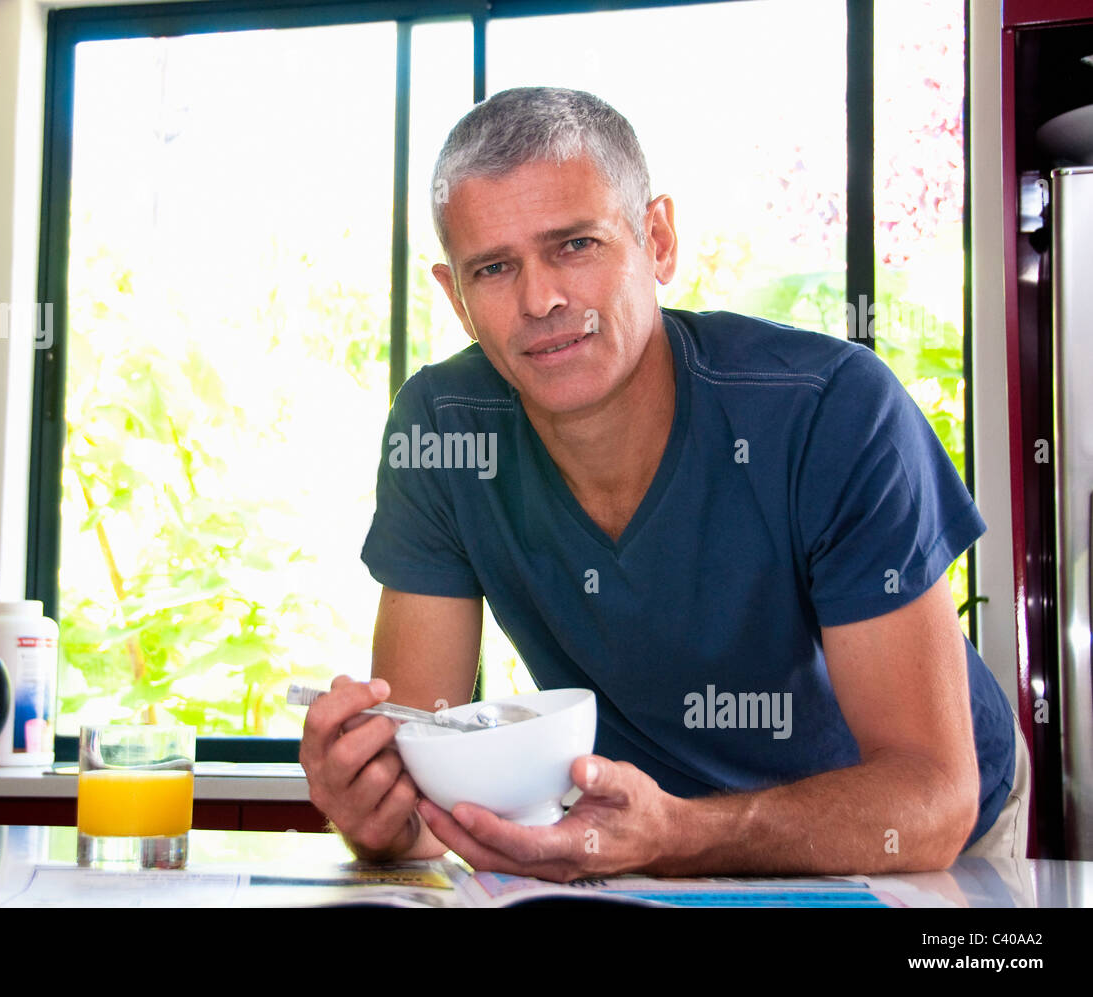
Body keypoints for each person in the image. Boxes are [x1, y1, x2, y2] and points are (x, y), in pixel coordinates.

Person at [298, 86, 1027, 880]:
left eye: (575, 245)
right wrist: (373, 807)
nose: (540, 299)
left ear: (658, 239)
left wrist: (678, 832)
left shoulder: (833, 410)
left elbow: (931, 796)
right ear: (458, 299)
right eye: (496, 267)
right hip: (644, 841)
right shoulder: (442, 430)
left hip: (911, 834)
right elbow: (418, 809)